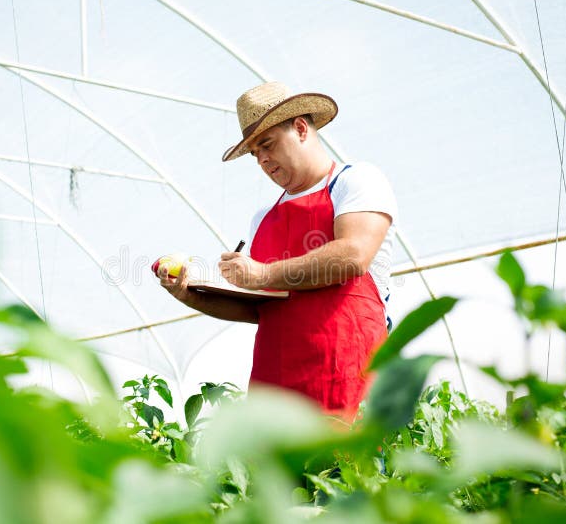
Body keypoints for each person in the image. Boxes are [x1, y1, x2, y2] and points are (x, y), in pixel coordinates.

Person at [157, 82, 398, 422]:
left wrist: (262, 273)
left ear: (301, 128)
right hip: (275, 388)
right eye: (255, 154)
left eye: (267, 145)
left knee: (351, 471)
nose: (263, 160)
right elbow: (263, 310)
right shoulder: (263, 219)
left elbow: (353, 255)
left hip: (347, 376)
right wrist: (190, 294)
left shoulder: (355, 181)